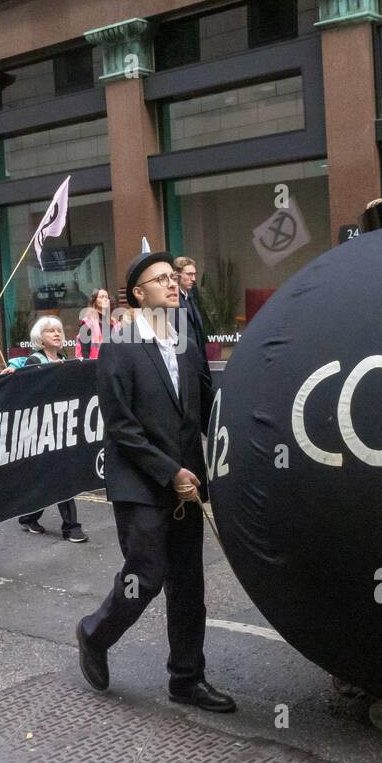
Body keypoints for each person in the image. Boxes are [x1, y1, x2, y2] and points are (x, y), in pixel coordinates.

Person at [75, 250, 235, 713]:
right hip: (142, 484)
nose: (172, 283)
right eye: (160, 278)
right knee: (145, 575)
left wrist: (232, 440)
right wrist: (170, 472)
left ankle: (187, 678)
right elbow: (121, 426)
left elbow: (205, 403)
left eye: (174, 277)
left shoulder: (185, 339)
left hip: (188, 480)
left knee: (189, 584)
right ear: (138, 294)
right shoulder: (118, 344)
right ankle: (94, 633)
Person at [17, 317, 87, 543]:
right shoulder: (33, 361)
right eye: (50, 332)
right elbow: (28, 395)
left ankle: (29, 516)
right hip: (42, 429)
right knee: (61, 474)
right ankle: (71, 527)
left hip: (63, 426)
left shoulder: (66, 359)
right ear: (40, 337)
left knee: (53, 475)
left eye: (58, 330)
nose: (57, 334)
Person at [174, 256, 209, 363]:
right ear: (177, 275)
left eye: (194, 274)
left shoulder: (191, 295)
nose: (193, 279)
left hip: (197, 357)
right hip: (185, 360)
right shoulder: (173, 300)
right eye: (189, 274)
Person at [75, 289, 119, 361]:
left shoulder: (115, 323)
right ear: (94, 301)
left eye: (106, 297)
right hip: (95, 365)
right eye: (101, 297)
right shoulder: (88, 322)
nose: (105, 299)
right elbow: (85, 351)